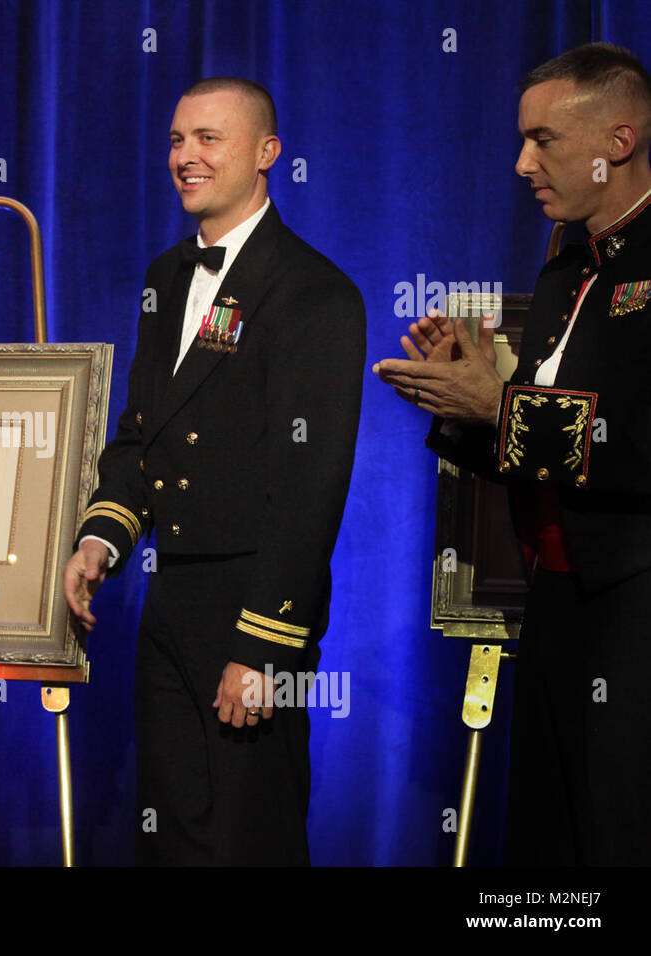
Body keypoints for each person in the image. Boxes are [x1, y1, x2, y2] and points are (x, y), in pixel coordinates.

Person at [62, 80, 365, 865]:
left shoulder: (317, 292)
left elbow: (311, 492)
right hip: (169, 607)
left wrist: (262, 648)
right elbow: (139, 438)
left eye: (208, 139)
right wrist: (99, 542)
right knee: (170, 836)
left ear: (267, 155)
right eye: (174, 140)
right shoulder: (166, 277)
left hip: (254, 610)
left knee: (249, 838)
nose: (185, 157)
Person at [375, 43, 651, 866]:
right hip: (559, 604)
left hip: (636, 609)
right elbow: (542, 450)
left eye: (544, 141)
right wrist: (462, 402)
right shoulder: (568, 269)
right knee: (547, 836)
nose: (521, 163)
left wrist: (502, 406)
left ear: (619, 142)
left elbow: (632, 450)